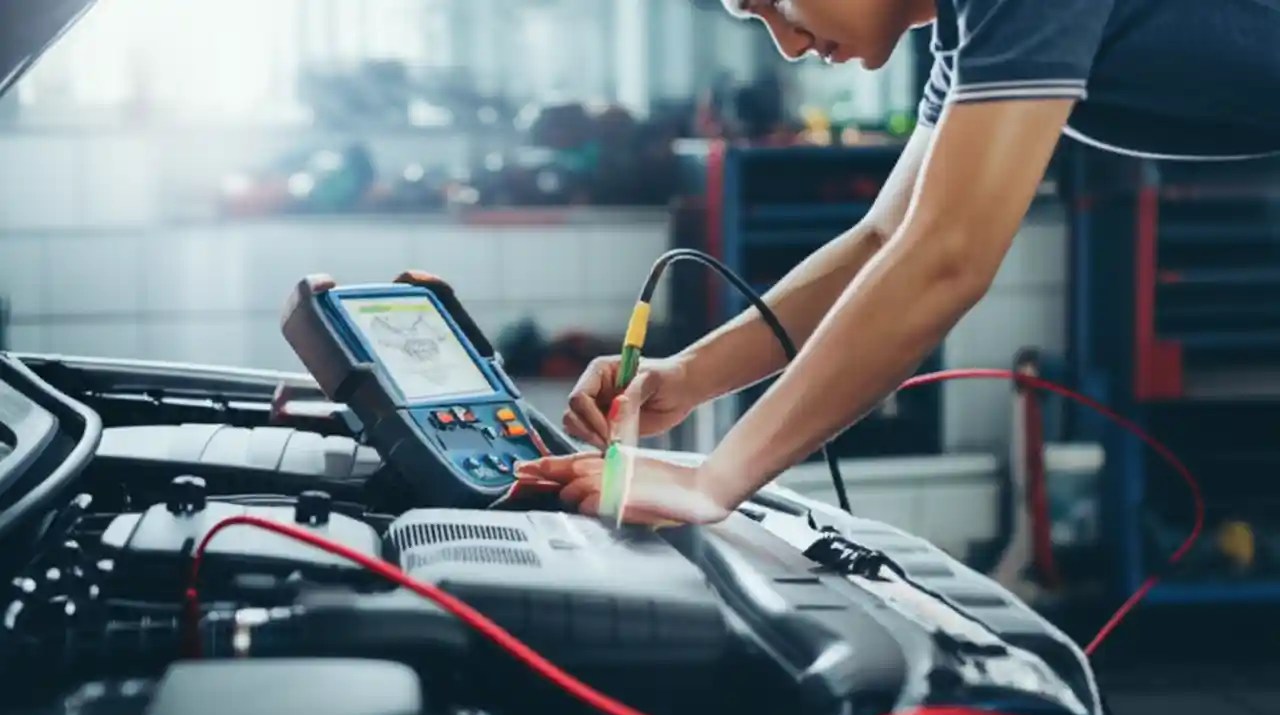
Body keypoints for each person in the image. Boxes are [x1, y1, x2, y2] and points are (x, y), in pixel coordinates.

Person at [515, 0, 1280, 524]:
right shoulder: (968, 26)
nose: (786, 41)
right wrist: (689, 376)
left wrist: (718, 480)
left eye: (774, 0)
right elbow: (889, 237)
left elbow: (946, 256)